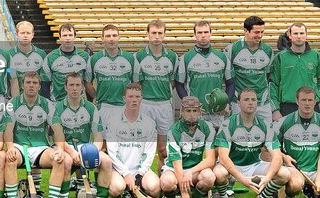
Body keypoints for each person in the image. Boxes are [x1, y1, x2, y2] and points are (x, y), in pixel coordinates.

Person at [4, 72, 72, 198]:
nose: (31, 85)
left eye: (35, 83)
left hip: (41, 148)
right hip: (19, 146)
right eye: (28, 82)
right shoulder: (13, 103)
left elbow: (58, 130)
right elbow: (8, 129)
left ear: (40, 86)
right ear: (22, 85)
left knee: (58, 159)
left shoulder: (47, 104)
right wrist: (9, 148)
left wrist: (60, 149)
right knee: (9, 159)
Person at [212, 88, 290, 198]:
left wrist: (267, 178)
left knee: (284, 173)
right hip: (232, 166)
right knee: (219, 173)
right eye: (246, 99)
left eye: (253, 100)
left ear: (257, 103)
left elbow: (277, 156)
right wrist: (242, 180)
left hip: (254, 165)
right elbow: (223, 158)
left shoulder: (265, 124)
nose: (250, 103)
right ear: (239, 103)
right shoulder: (228, 124)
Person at [54, 72, 116, 198]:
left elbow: (98, 136)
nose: (74, 88)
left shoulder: (91, 108)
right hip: (65, 146)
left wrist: (92, 151)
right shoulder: (57, 108)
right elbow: (59, 137)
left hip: (85, 146)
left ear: (82, 87)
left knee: (106, 161)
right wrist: (72, 152)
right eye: (71, 85)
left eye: (77, 85)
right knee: (67, 161)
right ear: (65, 87)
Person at [97, 82, 160, 198]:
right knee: (116, 188)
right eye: (131, 97)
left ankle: (136, 192)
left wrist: (139, 174)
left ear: (141, 99)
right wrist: (126, 173)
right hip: (118, 170)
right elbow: (112, 152)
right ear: (124, 99)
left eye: (137, 97)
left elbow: (149, 153)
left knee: (155, 188)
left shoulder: (150, 123)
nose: (134, 100)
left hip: (140, 170)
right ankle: (117, 197)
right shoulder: (113, 122)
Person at [160, 96, 217, 198]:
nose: (192, 114)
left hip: (194, 170)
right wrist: (184, 197)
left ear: (200, 112)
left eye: (195, 110)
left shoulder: (208, 128)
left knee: (209, 177)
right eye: (188, 111)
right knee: (167, 182)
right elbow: (177, 166)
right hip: (174, 169)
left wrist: (190, 172)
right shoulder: (173, 131)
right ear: (181, 112)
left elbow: (211, 160)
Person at [133, 19, 178, 160]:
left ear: (164, 35)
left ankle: (162, 178)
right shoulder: (139, 56)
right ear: (148, 34)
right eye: (153, 33)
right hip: (145, 104)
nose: (157, 36)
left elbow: (173, 81)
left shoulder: (172, 56)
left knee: (163, 149)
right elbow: (136, 83)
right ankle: (142, 179)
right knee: (143, 146)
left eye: (160, 33)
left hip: (164, 105)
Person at [176, 20, 232, 131]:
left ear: (211, 33)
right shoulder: (186, 58)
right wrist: (189, 103)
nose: (203, 35)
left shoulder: (222, 57)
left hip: (218, 112)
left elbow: (230, 83)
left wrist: (226, 103)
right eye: (199, 32)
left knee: (218, 146)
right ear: (195, 35)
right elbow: (179, 84)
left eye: (206, 32)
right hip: (197, 111)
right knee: (197, 145)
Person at [269, 22, 320, 121]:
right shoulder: (280, 57)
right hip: (287, 106)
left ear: (306, 35)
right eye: (295, 33)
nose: (299, 36)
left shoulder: (316, 56)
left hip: (310, 105)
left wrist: (316, 98)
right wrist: (275, 110)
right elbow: (273, 84)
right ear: (289, 35)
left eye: (302, 33)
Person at [225, 16, 274, 124]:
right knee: (238, 135)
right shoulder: (232, 49)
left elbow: (269, 76)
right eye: (256, 32)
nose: (260, 35)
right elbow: (227, 77)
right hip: (239, 102)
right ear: (245, 31)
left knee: (267, 136)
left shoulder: (268, 50)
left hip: (262, 102)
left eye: (262, 32)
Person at [88, 24, 135, 124]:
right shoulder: (94, 59)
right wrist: (96, 96)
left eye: (114, 35)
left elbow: (137, 83)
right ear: (102, 38)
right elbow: (87, 82)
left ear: (119, 37)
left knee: (122, 138)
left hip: (123, 106)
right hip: (103, 106)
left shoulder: (130, 58)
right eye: (108, 36)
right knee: (103, 139)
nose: (111, 39)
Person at [44, 22, 90, 103]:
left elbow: (88, 83)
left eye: (70, 35)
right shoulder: (50, 57)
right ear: (60, 37)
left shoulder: (85, 57)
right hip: (57, 103)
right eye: (65, 35)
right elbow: (45, 84)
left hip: (79, 103)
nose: (68, 38)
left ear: (75, 36)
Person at [8, 20, 50, 98]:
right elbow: (11, 81)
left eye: (28, 33)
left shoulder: (41, 54)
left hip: (37, 101)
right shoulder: (9, 55)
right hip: (18, 99)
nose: (25, 36)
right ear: (17, 34)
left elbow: (44, 81)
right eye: (22, 33)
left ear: (33, 35)